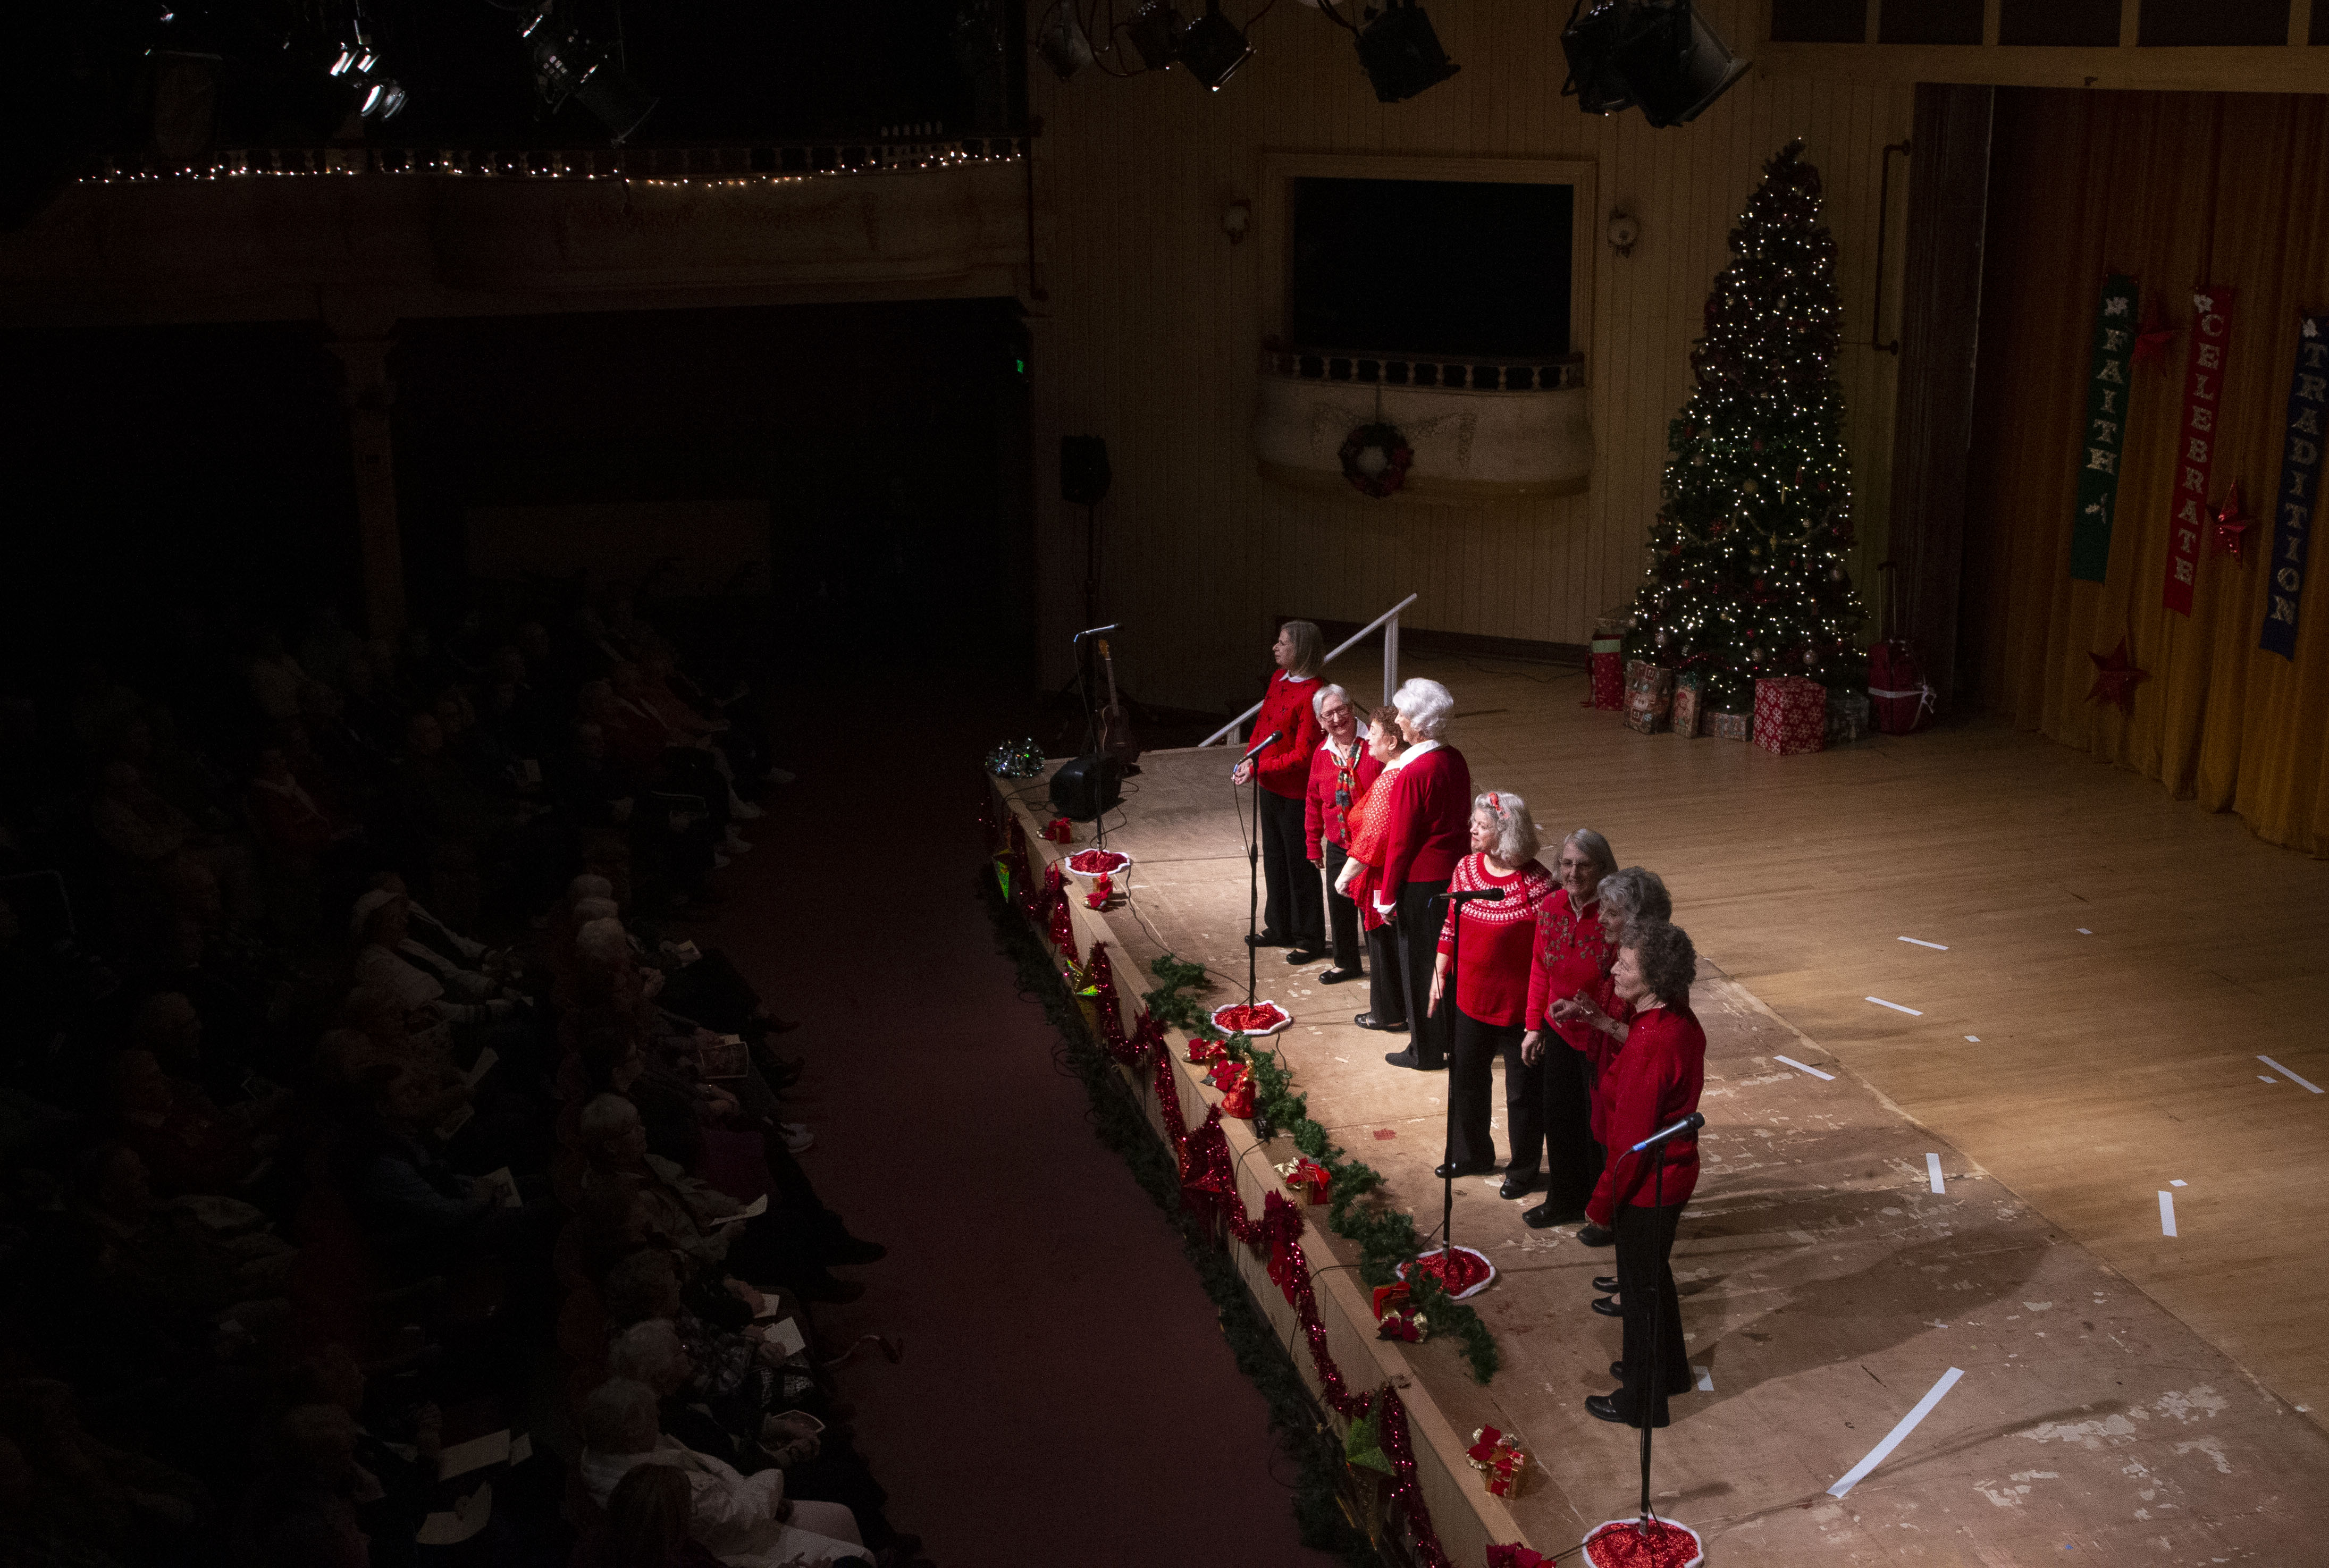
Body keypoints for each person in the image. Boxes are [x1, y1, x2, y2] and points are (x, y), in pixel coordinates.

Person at [1580, 920, 1705, 1430]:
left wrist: (1598, 1208)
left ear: (1653, 978)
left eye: (1625, 965)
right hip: (1672, 1178)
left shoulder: (1651, 1044)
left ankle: (1642, 1398)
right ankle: (1668, 1370)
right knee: (1654, 1280)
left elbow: (1629, 1148)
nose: (1613, 969)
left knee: (1638, 1294)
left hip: (1647, 1187)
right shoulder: (1675, 1021)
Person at [578, 1379, 864, 1565]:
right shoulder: (655, 1490)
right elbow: (736, 1522)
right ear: (631, 1430)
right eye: (653, 1414)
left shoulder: (607, 1452)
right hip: (739, 1548)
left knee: (841, 1516)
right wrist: (771, 1476)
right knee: (856, 1556)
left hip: (746, 1504)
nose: (660, 1418)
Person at [1428, 792, 1555, 1185]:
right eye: (1474, 823)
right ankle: (1472, 1155)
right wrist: (1438, 974)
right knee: (1465, 1080)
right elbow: (1451, 924)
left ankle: (1522, 1170)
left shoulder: (1537, 884)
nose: (1471, 830)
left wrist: (1539, 1020)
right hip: (1470, 1000)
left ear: (1505, 832)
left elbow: (1548, 955)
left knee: (1522, 1097)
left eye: (1481, 826)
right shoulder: (1465, 870)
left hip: (1519, 1009)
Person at [1517, 829, 1620, 1229]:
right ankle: (1563, 1200)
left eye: (1583, 864)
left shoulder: (1614, 914)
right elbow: (1540, 968)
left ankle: (1600, 1211)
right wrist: (1532, 1026)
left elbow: (1621, 981)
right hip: (1559, 1031)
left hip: (1602, 1036)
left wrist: (1593, 1013)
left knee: (1599, 1128)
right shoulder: (1551, 906)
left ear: (1603, 869)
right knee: (1559, 1120)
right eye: (1566, 863)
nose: (1572, 872)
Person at [1372, 679, 1472, 1072]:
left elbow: (1401, 841)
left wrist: (1386, 894)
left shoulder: (1414, 772)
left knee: (1420, 969)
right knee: (1446, 964)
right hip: (1454, 877)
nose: (1398, 721)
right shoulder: (1455, 758)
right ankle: (1448, 1039)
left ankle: (1424, 1051)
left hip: (1420, 884)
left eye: (1403, 715)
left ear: (1419, 723)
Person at [1230, 621, 1326, 962]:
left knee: (1300, 866)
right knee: (1273, 860)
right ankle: (1280, 926)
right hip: (1269, 785)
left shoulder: (1315, 694)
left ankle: (1309, 936)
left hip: (1296, 794)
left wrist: (1259, 767)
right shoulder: (1278, 680)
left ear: (1300, 650)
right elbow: (1263, 726)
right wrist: (1248, 758)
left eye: (1283, 643)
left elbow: (1304, 756)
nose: (1276, 647)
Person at [1337, 708, 1412, 1032]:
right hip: (1391, 872)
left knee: (1383, 948)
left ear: (1393, 741)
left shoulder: (1390, 781)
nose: (1368, 737)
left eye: (1375, 733)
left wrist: (1344, 875)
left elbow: (1376, 836)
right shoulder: (1400, 773)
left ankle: (1388, 1013)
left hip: (1382, 877)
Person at [1302, 684, 1379, 987]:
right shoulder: (1322, 755)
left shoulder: (1375, 743)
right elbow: (1313, 800)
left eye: (1341, 710)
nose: (1336, 719)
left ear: (1351, 708)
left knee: (1372, 909)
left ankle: (1383, 969)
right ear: (1320, 722)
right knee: (1340, 904)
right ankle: (1346, 963)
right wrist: (1313, 845)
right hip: (1339, 843)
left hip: (1372, 844)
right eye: (1328, 715)